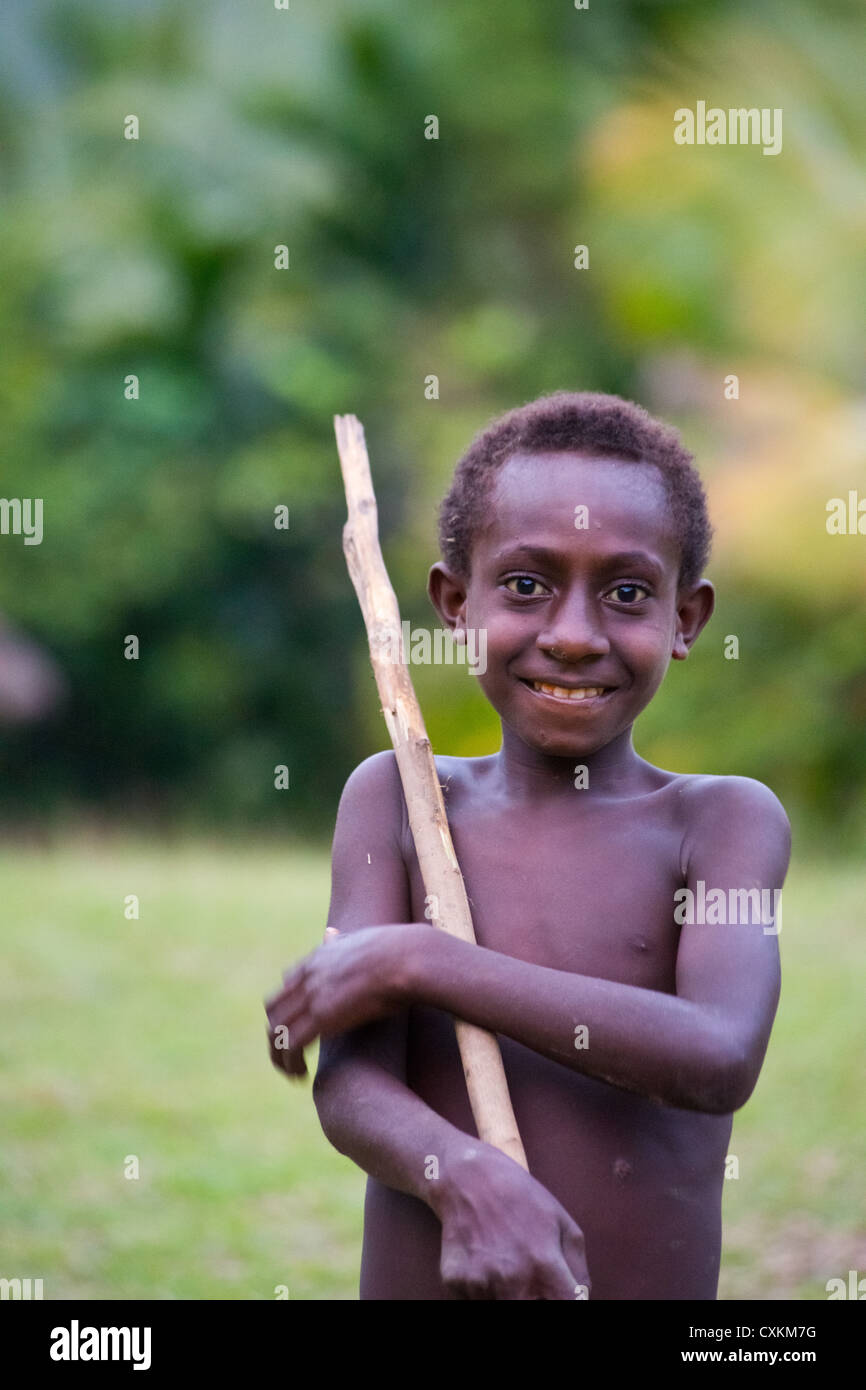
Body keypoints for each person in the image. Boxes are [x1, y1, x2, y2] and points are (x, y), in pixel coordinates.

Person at [265, 390, 791, 1300]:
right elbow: (349, 1089)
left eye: (627, 593)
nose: (575, 636)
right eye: (526, 585)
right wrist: (461, 1174)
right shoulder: (393, 797)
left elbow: (719, 1056)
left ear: (687, 618)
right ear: (453, 602)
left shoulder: (723, 821)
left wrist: (425, 962)